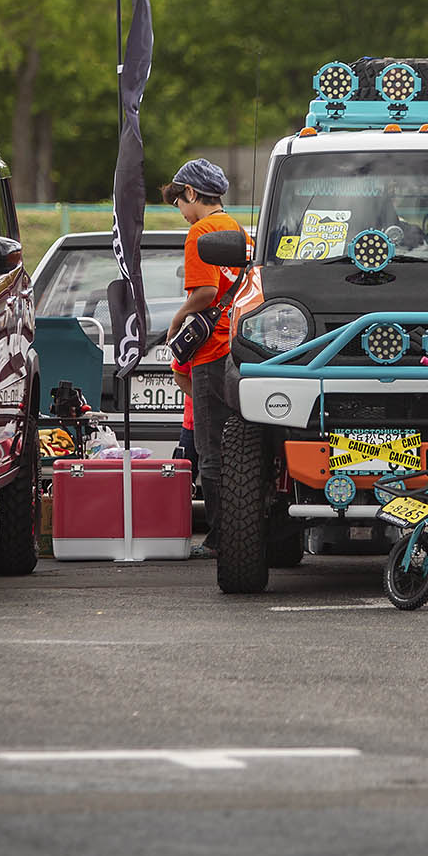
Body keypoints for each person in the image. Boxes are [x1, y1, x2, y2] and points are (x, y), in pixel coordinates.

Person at [162, 158, 245, 557]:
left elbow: (206, 293)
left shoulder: (201, 231)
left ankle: (220, 538)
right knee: (236, 446)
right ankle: (241, 528)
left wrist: (177, 321)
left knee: (211, 450)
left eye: (180, 201)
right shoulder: (237, 229)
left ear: (192, 193)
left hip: (212, 349)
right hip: (240, 347)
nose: (181, 211)